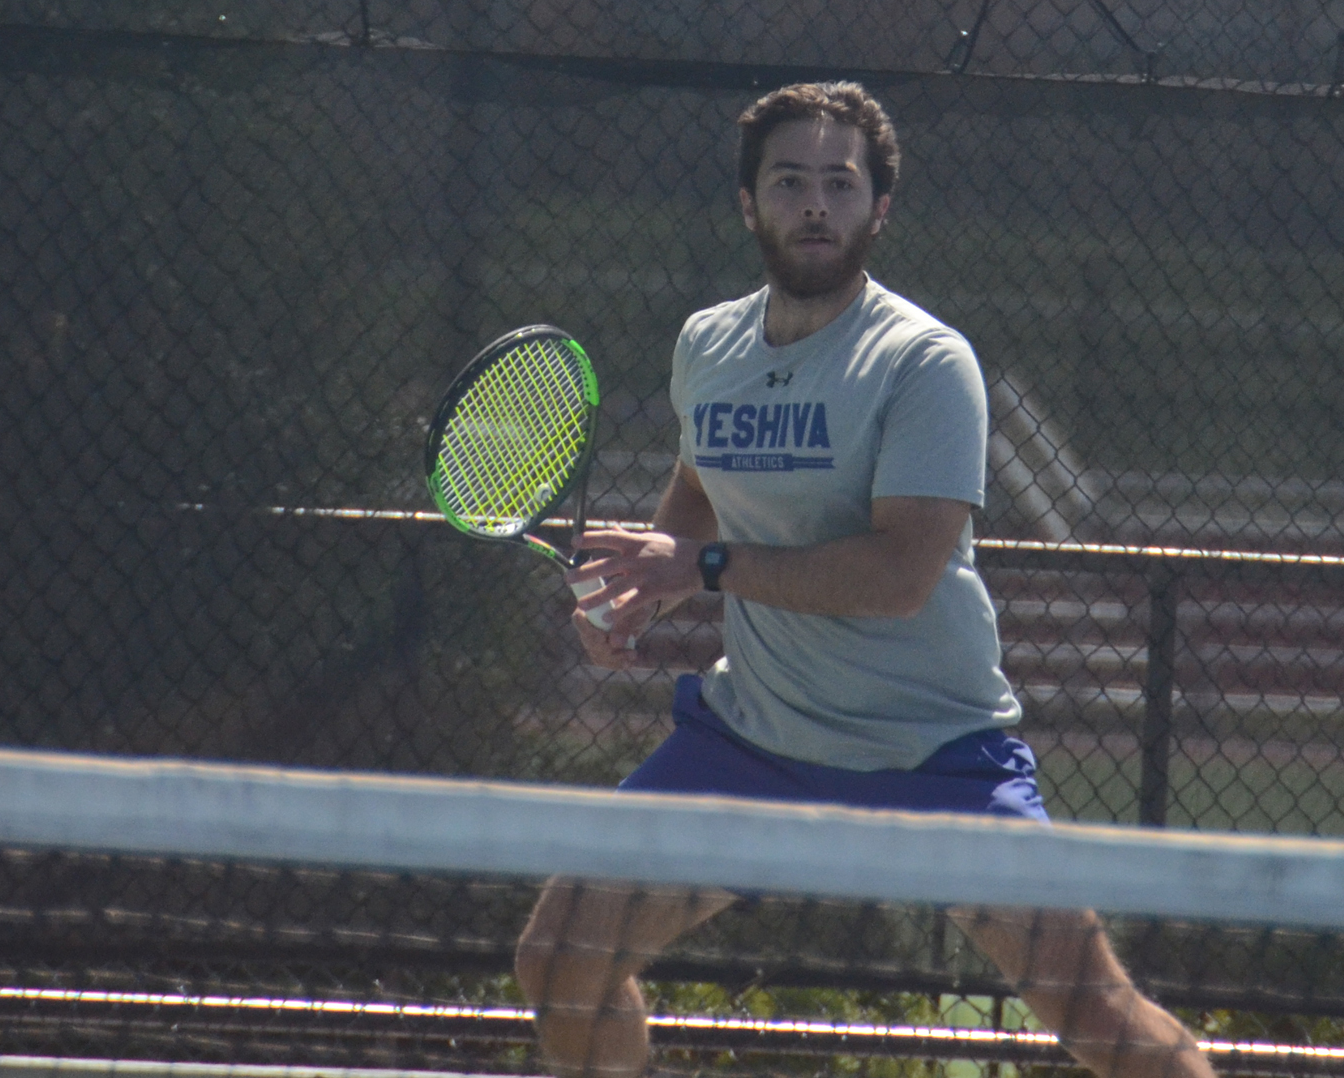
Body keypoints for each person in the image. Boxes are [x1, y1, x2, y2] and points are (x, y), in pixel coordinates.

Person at [514, 81, 1216, 1078]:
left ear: (877, 210)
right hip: (755, 744)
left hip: (930, 756)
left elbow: (897, 577)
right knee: (560, 960)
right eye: (788, 181)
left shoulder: (925, 363)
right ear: (746, 204)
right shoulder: (705, 346)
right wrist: (641, 589)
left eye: (838, 185)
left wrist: (701, 569)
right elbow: (699, 491)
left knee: (1093, 1014)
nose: (813, 204)